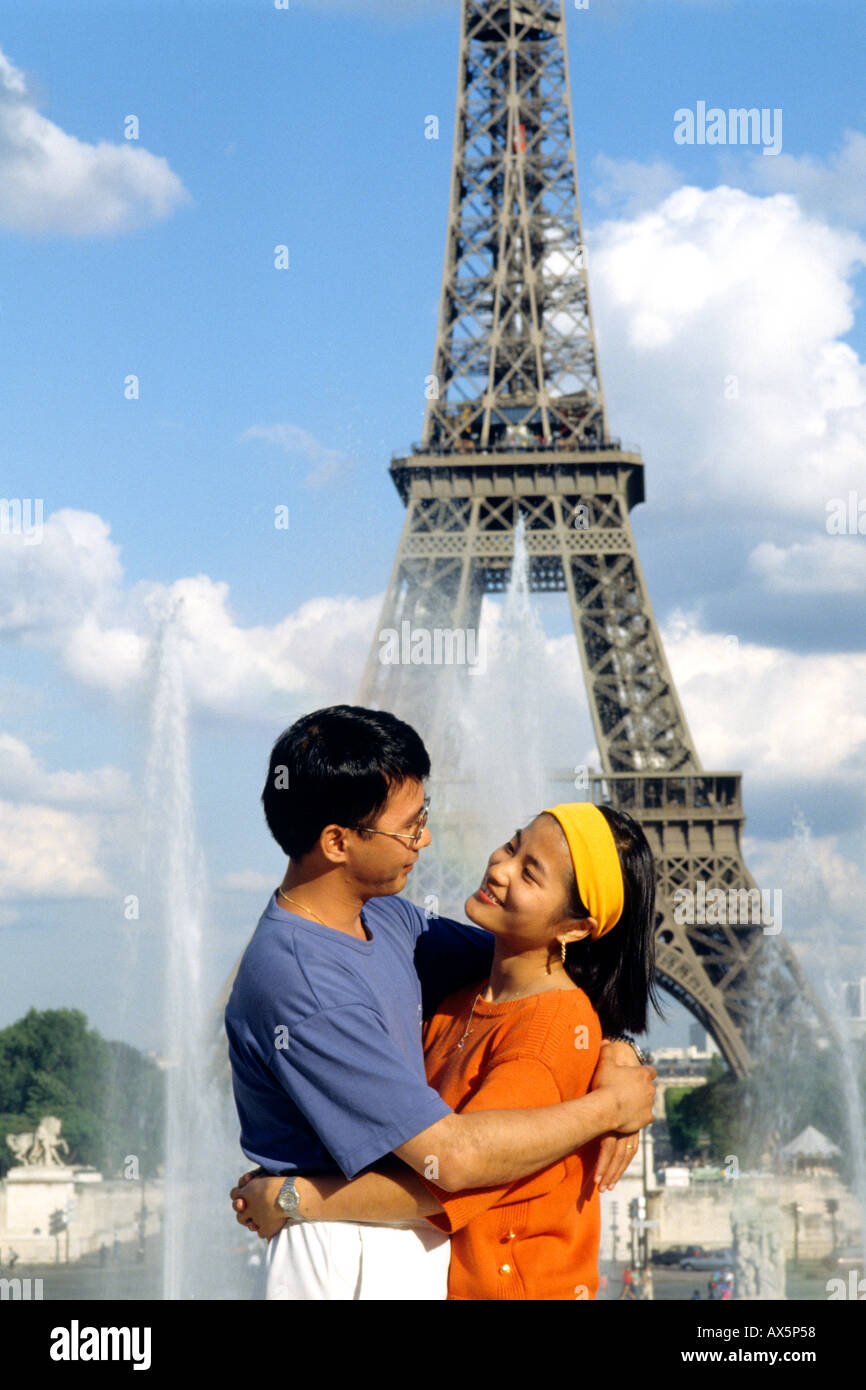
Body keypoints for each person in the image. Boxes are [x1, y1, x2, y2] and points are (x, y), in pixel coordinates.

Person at [225, 706, 656, 1300]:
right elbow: (451, 1163)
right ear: (338, 842)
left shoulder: (386, 918)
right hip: (345, 1244)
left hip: (388, 1234)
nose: (424, 838)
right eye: (409, 826)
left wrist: (617, 1048)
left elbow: (537, 975)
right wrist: (611, 1108)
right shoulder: (308, 987)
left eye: (424, 816)